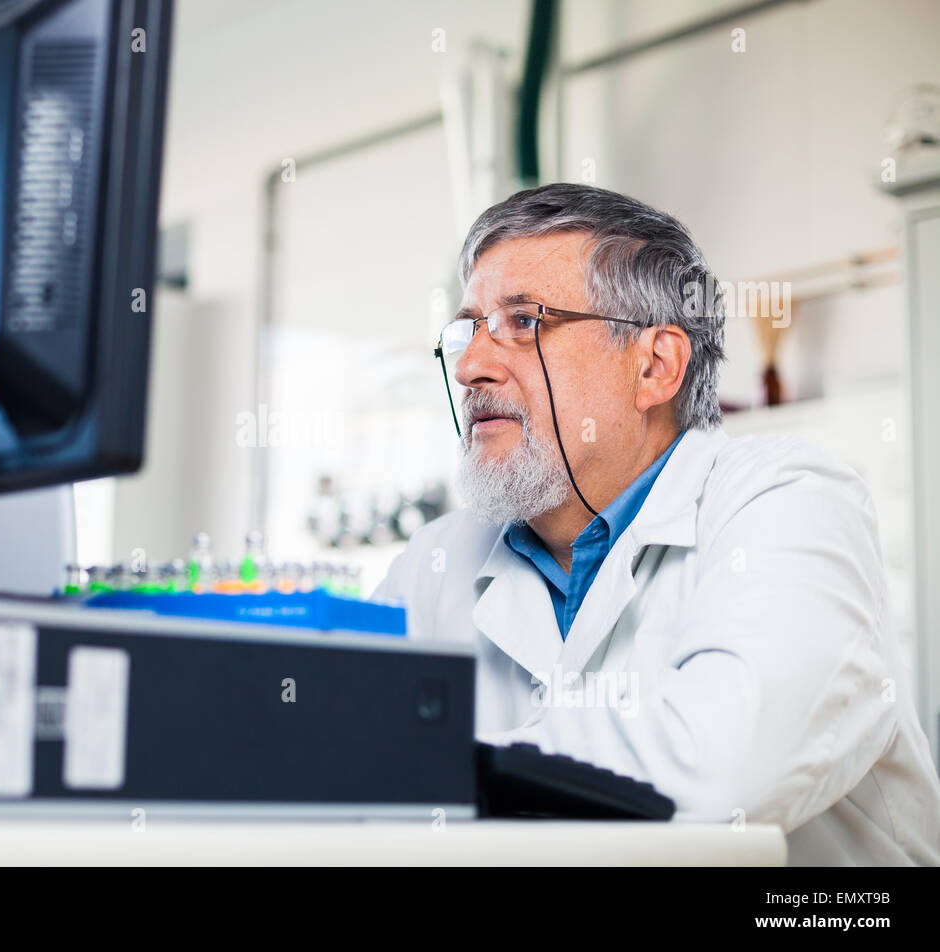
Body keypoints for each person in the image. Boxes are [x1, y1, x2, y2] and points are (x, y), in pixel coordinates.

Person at [374, 182, 940, 865]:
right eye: (468, 330)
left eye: (524, 323)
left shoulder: (786, 498)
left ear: (655, 365)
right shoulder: (438, 560)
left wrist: (430, 767)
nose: (469, 366)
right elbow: (327, 752)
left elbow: (723, 768)